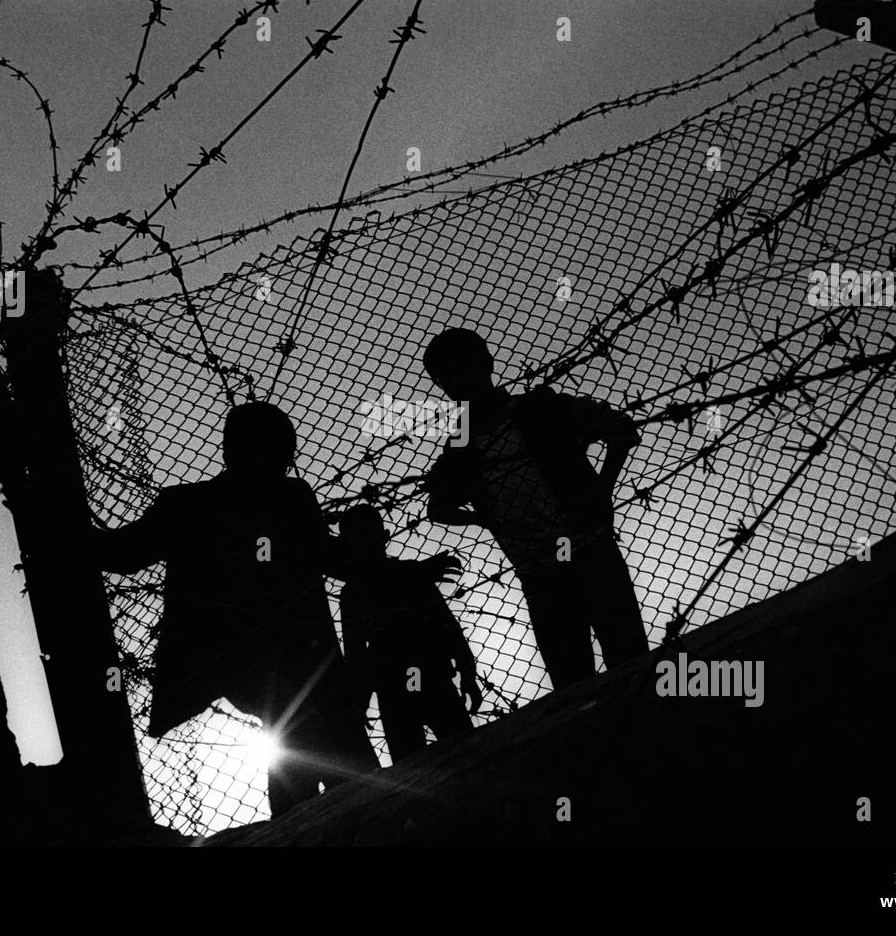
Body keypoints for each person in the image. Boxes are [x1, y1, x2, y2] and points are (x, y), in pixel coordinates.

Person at [88, 402, 380, 816]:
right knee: (353, 785)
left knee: (303, 779)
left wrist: (59, 524)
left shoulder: (192, 506)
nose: (284, 460)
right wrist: (382, 567)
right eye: (280, 449)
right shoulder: (284, 498)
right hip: (304, 667)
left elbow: (122, 553)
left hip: (255, 672)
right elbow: (330, 556)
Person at [422, 327, 650, 690]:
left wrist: (602, 490)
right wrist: (486, 518)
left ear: (486, 364)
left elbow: (621, 429)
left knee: (632, 662)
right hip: (539, 572)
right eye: (447, 375)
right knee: (573, 684)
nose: (458, 380)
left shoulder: (540, 408)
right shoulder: (461, 445)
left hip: (589, 549)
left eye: (463, 366)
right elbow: (439, 507)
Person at [337, 505, 481, 762]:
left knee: (463, 754)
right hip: (399, 685)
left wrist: (468, 672)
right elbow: (356, 653)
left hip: (424, 677)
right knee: (423, 764)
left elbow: (446, 625)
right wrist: (360, 701)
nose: (365, 542)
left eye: (367, 534)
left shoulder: (408, 574)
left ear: (384, 535)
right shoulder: (359, 591)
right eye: (358, 536)